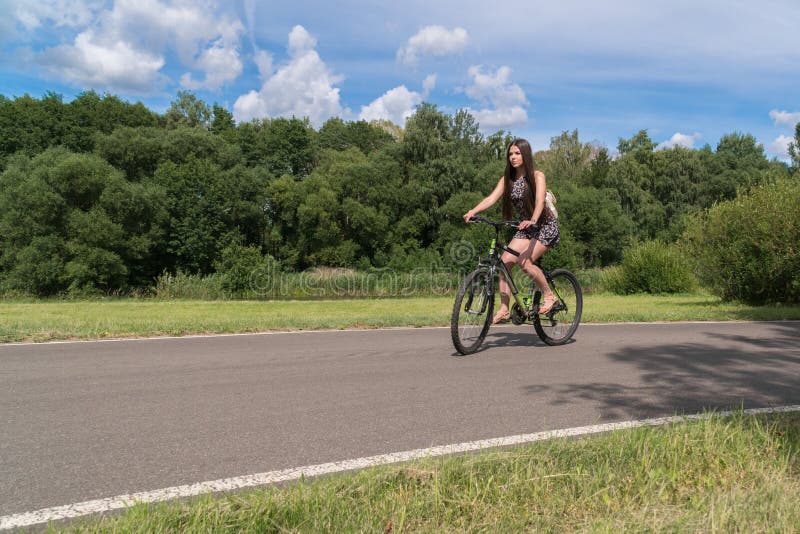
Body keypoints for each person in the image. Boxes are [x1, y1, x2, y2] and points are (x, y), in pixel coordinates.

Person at [463, 138, 559, 324]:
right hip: (526, 227)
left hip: (544, 226)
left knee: (525, 262)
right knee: (504, 262)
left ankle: (549, 296)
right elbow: (491, 199)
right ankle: (504, 308)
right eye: (510, 154)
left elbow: (539, 202)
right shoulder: (507, 180)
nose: (513, 157)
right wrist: (473, 211)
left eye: (517, 153)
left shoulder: (537, 176)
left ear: (525, 155)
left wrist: (533, 220)